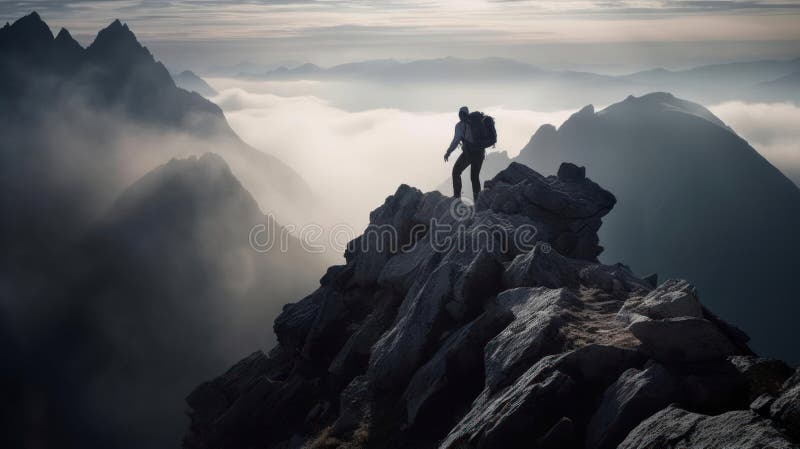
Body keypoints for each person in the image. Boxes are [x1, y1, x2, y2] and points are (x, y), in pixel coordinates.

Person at [444, 106, 485, 200]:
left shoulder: (460, 125)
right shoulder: (475, 122)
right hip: (480, 153)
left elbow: (455, 141)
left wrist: (448, 152)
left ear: (460, 114)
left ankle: (457, 197)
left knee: (456, 172)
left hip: (469, 153)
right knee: (474, 177)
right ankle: (477, 201)